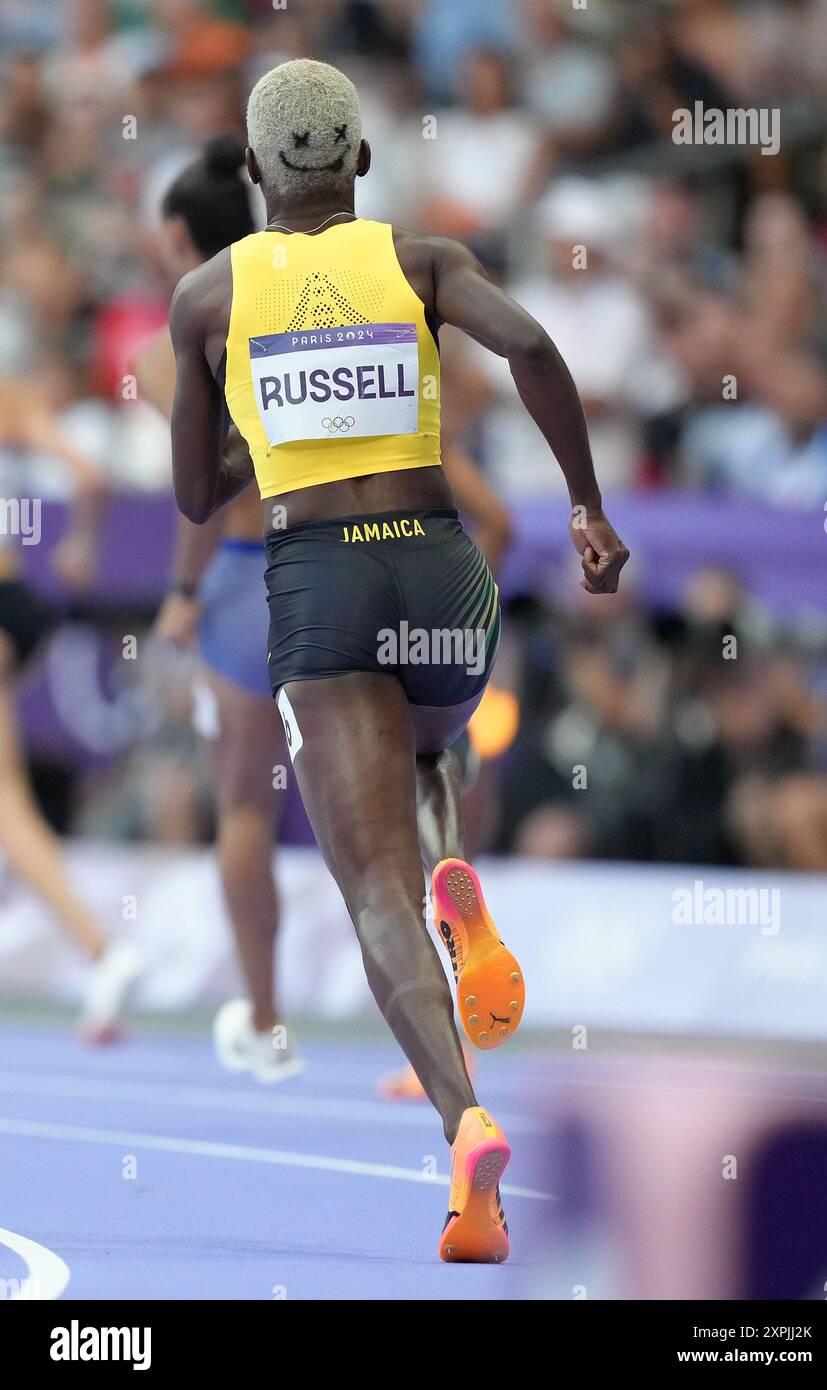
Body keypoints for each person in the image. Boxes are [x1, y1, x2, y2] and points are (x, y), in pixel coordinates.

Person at [169, 60, 628, 1264]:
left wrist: (261, 421)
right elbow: (530, 345)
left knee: (370, 884)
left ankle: (464, 1121)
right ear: (361, 164)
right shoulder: (419, 260)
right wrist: (584, 505)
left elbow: (190, 489)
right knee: (427, 742)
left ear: (258, 172)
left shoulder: (208, 298)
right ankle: (458, 871)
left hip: (322, 587)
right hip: (439, 574)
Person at [139, 136, 512, 1091]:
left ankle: (266, 1020)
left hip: (254, 583)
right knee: (412, 786)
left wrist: (182, 598)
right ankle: (448, 1024)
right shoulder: (369, 292)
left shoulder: (189, 326)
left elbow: (204, 490)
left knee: (245, 812)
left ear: (182, 236)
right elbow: (476, 493)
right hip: (398, 552)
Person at [0, 378, 143, 1038]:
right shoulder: (13, 398)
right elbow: (88, 475)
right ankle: (101, 953)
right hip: (18, 605)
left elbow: (87, 473)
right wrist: (78, 545)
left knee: (7, 804)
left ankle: (102, 950)